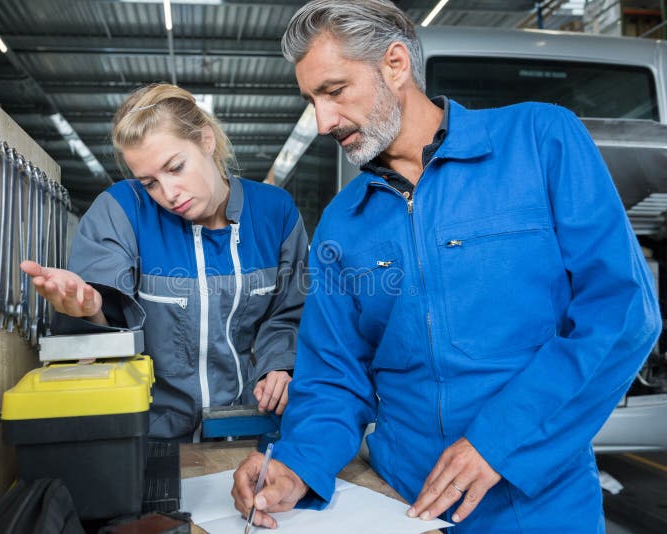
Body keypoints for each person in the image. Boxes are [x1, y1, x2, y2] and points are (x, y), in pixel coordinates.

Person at [231, 1, 661, 532]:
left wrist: (498, 442)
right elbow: (334, 376)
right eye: (312, 100)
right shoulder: (344, 221)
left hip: (539, 504)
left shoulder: (541, 141)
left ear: (394, 64)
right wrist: (298, 466)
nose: (323, 121)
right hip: (400, 506)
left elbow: (621, 312)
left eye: (335, 91)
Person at [21, 83, 308, 441]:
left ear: (206, 140)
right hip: (153, 437)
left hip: (251, 428)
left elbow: (288, 313)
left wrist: (278, 364)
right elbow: (102, 330)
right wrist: (91, 309)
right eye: (150, 182)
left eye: (175, 167)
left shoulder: (275, 213)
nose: (169, 194)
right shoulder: (123, 211)